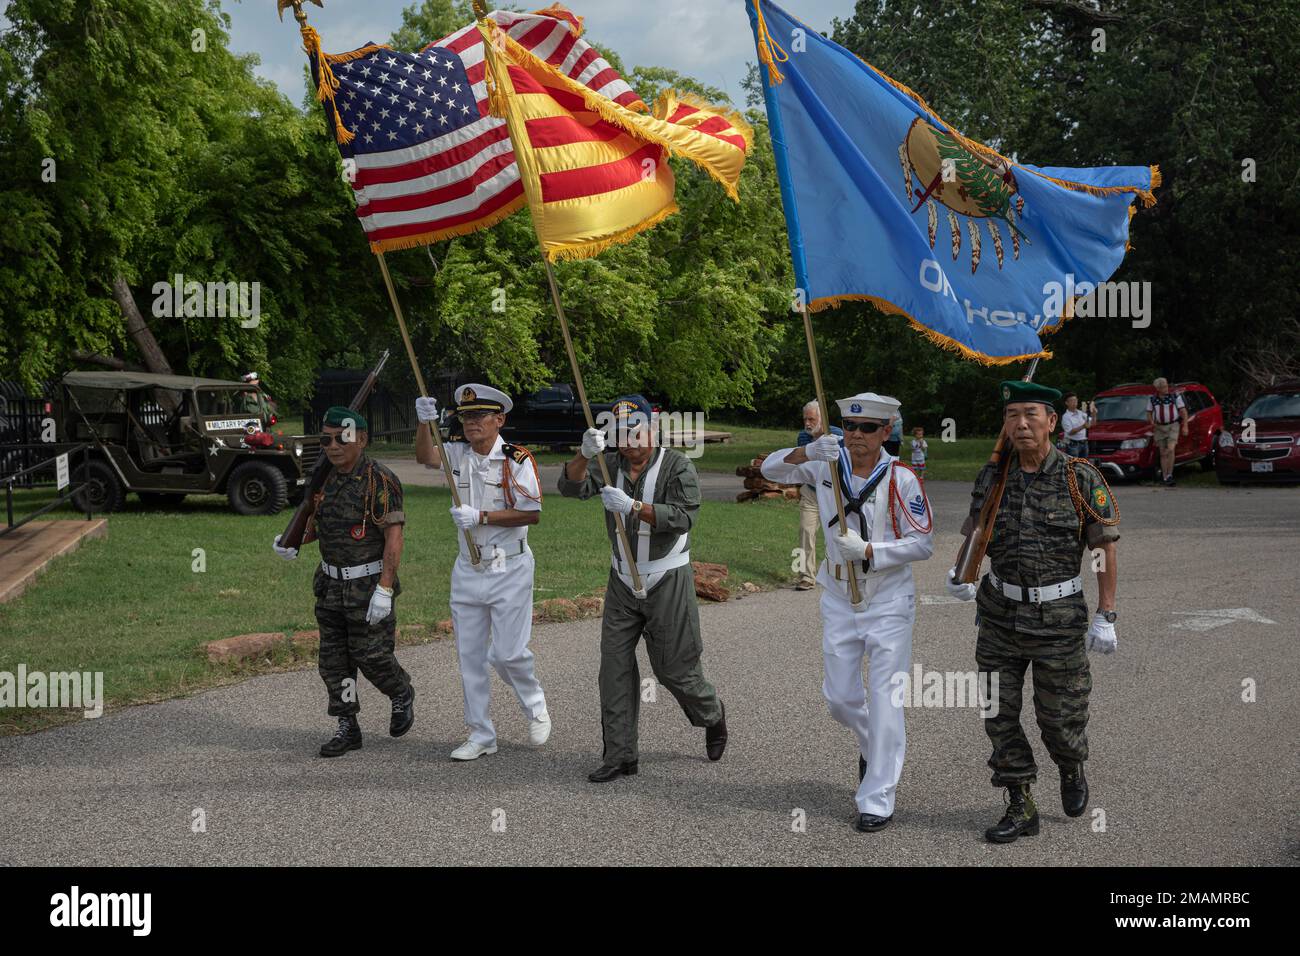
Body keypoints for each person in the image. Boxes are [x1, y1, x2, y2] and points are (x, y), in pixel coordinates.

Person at [945, 381, 1121, 844]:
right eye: (1012, 416)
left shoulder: (1080, 477)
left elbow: (1102, 548)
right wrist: (963, 566)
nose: (1021, 424)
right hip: (1000, 615)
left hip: (1058, 621)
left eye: (1030, 415)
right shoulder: (993, 476)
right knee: (997, 713)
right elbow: (976, 522)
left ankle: (1070, 764)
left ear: (1052, 422)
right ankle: (1020, 802)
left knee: (1060, 721)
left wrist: (1106, 613)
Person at [761, 392, 934, 833]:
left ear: (886, 432)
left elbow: (923, 543)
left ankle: (876, 798)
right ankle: (879, 747)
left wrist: (872, 549)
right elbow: (769, 468)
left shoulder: (901, 479)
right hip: (838, 592)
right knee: (840, 699)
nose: (857, 436)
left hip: (887, 598)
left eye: (868, 429)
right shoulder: (825, 463)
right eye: (850, 427)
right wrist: (807, 450)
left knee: (885, 699)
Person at [557, 394, 727, 782]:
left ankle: (711, 713)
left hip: (666, 578)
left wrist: (633, 507)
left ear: (652, 428)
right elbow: (569, 488)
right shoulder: (608, 463)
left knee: (673, 670)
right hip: (621, 581)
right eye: (619, 434)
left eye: (635, 432)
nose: (628, 442)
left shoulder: (677, 466)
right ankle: (620, 755)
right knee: (613, 669)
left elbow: (684, 517)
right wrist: (583, 455)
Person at [414, 385, 550, 760]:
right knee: (469, 657)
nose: (471, 423)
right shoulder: (456, 452)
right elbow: (425, 455)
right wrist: (424, 422)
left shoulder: (516, 459)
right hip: (468, 568)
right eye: (466, 417)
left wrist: (482, 516)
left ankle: (535, 704)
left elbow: (532, 513)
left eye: (479, 417)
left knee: (506, 655)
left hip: (509, 566)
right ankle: (480, 734)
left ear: (499, 420)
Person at [272, 406, 414, 757]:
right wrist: (289, 541)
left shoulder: (379, 480)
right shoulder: (322, 480)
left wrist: (384, 588)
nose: (333, 446)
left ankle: (400, 692)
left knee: (373, 657)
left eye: (343, 438)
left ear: (362, 439)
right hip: (331, 585)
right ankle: (347, 726)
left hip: (367, 587)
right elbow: (317, 526)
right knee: (334, 663)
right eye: (327, 439)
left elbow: (393, 538)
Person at [794, 401, 844, 590]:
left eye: (811, 419)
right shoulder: (802, 438)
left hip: (834, 494)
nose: (807, 423)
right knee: (806, 530)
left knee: (839, 535)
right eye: (805, 419)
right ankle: (806, 576)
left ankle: (842, 573)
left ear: (822, 419)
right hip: (811, 492)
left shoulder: (838, 435)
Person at [1145, 377, 1187, 486]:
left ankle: (1170, 474)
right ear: (1158, 388)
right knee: (1163, 452)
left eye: (1166, 385)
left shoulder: (1174, 396)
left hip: (1173, 425)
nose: (1166, 388)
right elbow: (1149, 412)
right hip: (1159, 427)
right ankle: (1165, 476)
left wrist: (1185, 426)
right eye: (1163, 387)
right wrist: (1151, 422)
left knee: (1170, 449)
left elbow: (1183, 411)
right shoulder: (1152, 399)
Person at [1060, 392, 1092, 458]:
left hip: (1084, 443)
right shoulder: (1066, 417)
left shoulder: (1081, 413)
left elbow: (1091, 423)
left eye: (1075, 400)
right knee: (1074, 465)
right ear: (1067, 403)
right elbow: (1070, 432)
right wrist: (1083, 426)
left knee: (1084, 465)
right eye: (1072, 401)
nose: (1074, 402)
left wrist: (1094, 414)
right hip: (1073, 445)